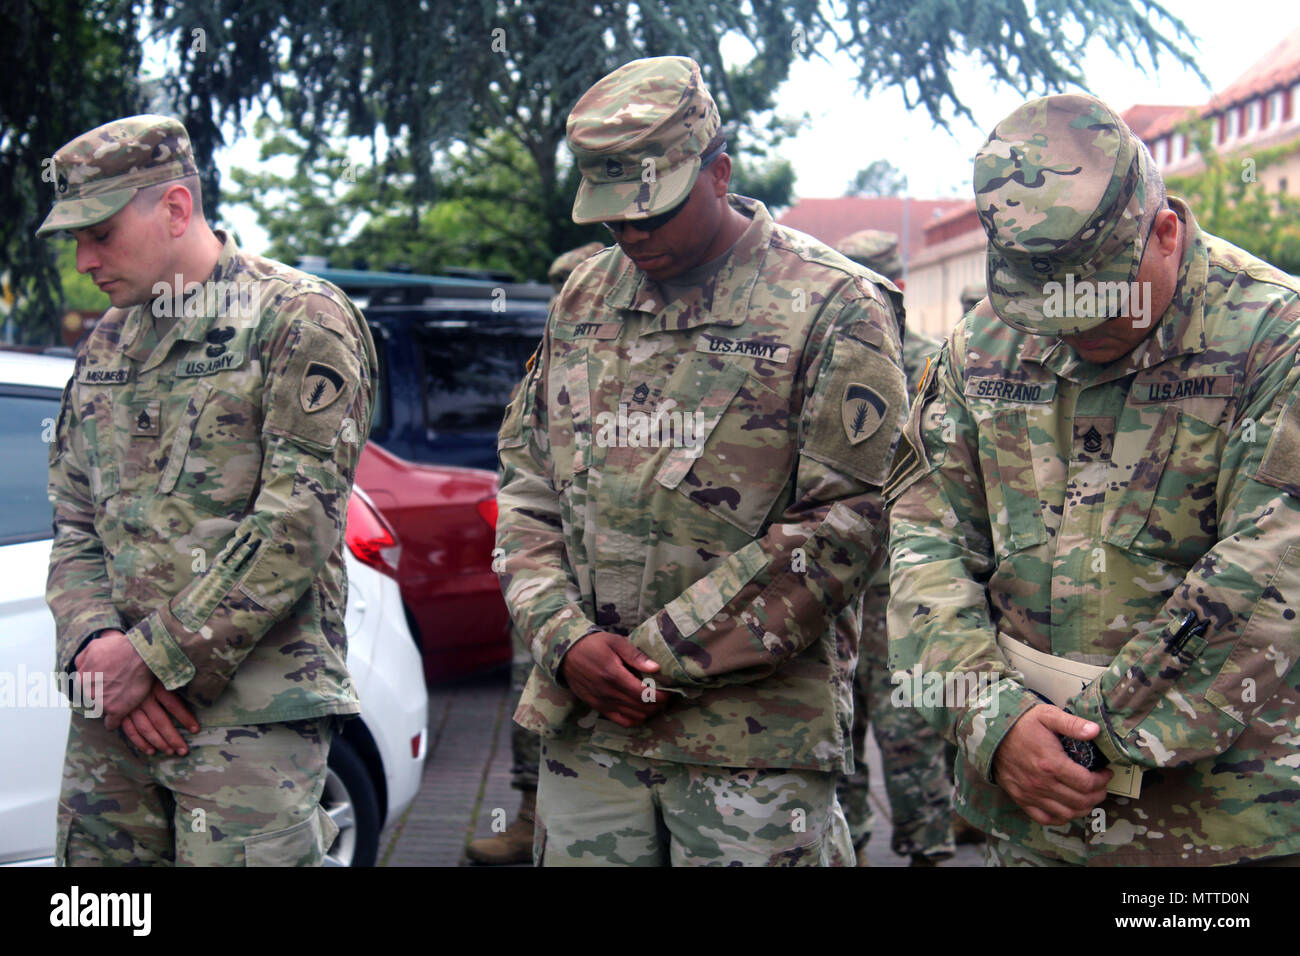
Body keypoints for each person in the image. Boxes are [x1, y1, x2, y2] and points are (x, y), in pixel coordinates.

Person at [496, 55, 907, 866]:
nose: (631, 236)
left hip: (752, 750)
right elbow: (527, 486)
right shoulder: (582, 299)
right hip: (591, 736)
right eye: (612, 217)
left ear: (718, 173)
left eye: (654, 213)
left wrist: (654, 661)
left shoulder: (835, 305)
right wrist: (564, 640)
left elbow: (849, 523)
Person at [887, 92, 1300, 866]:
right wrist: (991, 718)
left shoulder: (1276, 344)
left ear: (1167, 234)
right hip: (1030, 820)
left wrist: (1086, 739)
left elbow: (1271, 574)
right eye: (1048, 308)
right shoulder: (983, 347)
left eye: (1098, 301)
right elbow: (923, 537)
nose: (1072, 332)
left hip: (1215, 836)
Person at [41, 114, 378, 866]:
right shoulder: (105, 344)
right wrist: (97, 649)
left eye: (98, 232)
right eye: (73, 239)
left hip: (250, 717)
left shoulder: (296, 319)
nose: (84, 260)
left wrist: (152, 658)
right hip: (115, 717)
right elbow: (74, 523)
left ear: (175, 208)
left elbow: (296, 523)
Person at [835, 231, 953, 866]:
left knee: (912, 733)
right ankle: (847, 848)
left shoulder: (937, 369)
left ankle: (929, 849)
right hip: (832, 586)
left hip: (909, 589)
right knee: (839, 729)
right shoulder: (825, 362)